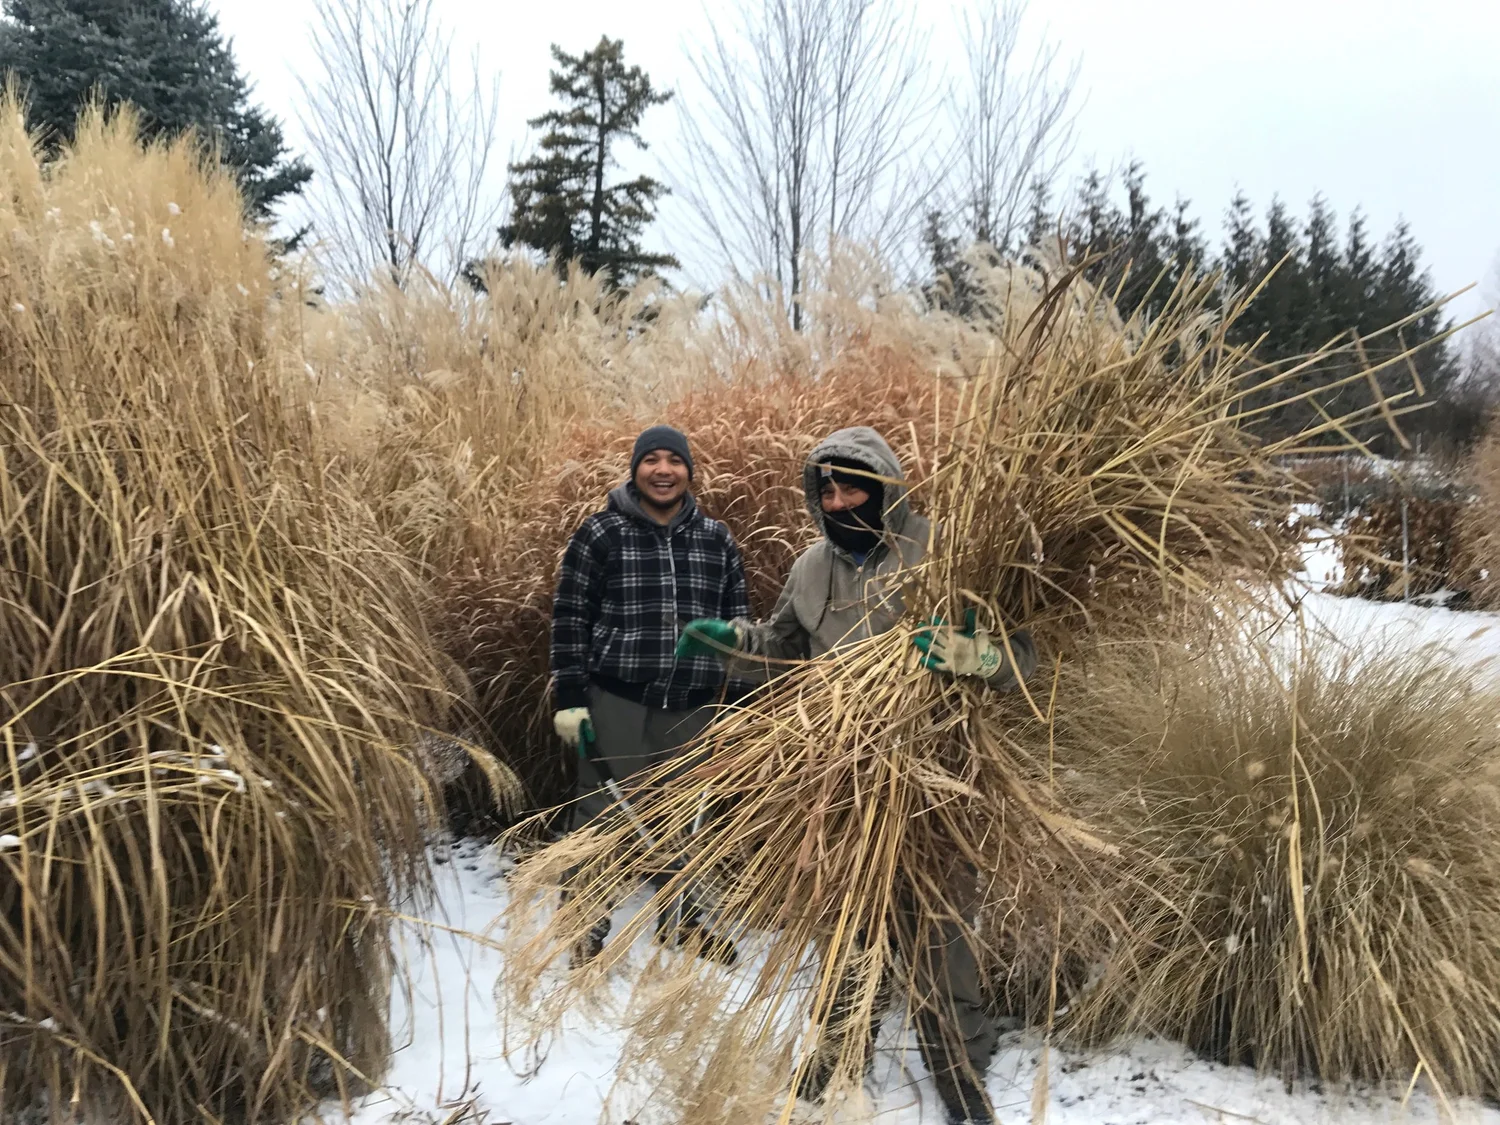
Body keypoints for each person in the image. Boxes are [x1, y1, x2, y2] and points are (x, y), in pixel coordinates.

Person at [674, 425, 1035, 1125]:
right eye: (827, 489)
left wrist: (976, 656)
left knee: (940, 925)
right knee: (845, 923)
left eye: (853, 486)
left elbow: (1025, 657)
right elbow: (781, 649)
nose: (839, 501)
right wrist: (733, 645)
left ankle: (960, 1058)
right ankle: (839, 1053)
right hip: (842, 781)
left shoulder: (947, 549)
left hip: (938, 776)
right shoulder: (812, 567)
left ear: (885, 486)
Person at [550, 424, 749, 964]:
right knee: (602, 813)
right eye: (652, 460)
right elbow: (570, 618)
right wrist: (570, 697)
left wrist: (731, 696)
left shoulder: (716, 538)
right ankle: (583, 925)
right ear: (635, 469)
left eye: (674, 461)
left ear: (689, 470)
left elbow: (740, 623)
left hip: (692, 703)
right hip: (618, 697)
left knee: (685, 816)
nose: (663, 470)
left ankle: (680, 920)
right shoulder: (601, 532)